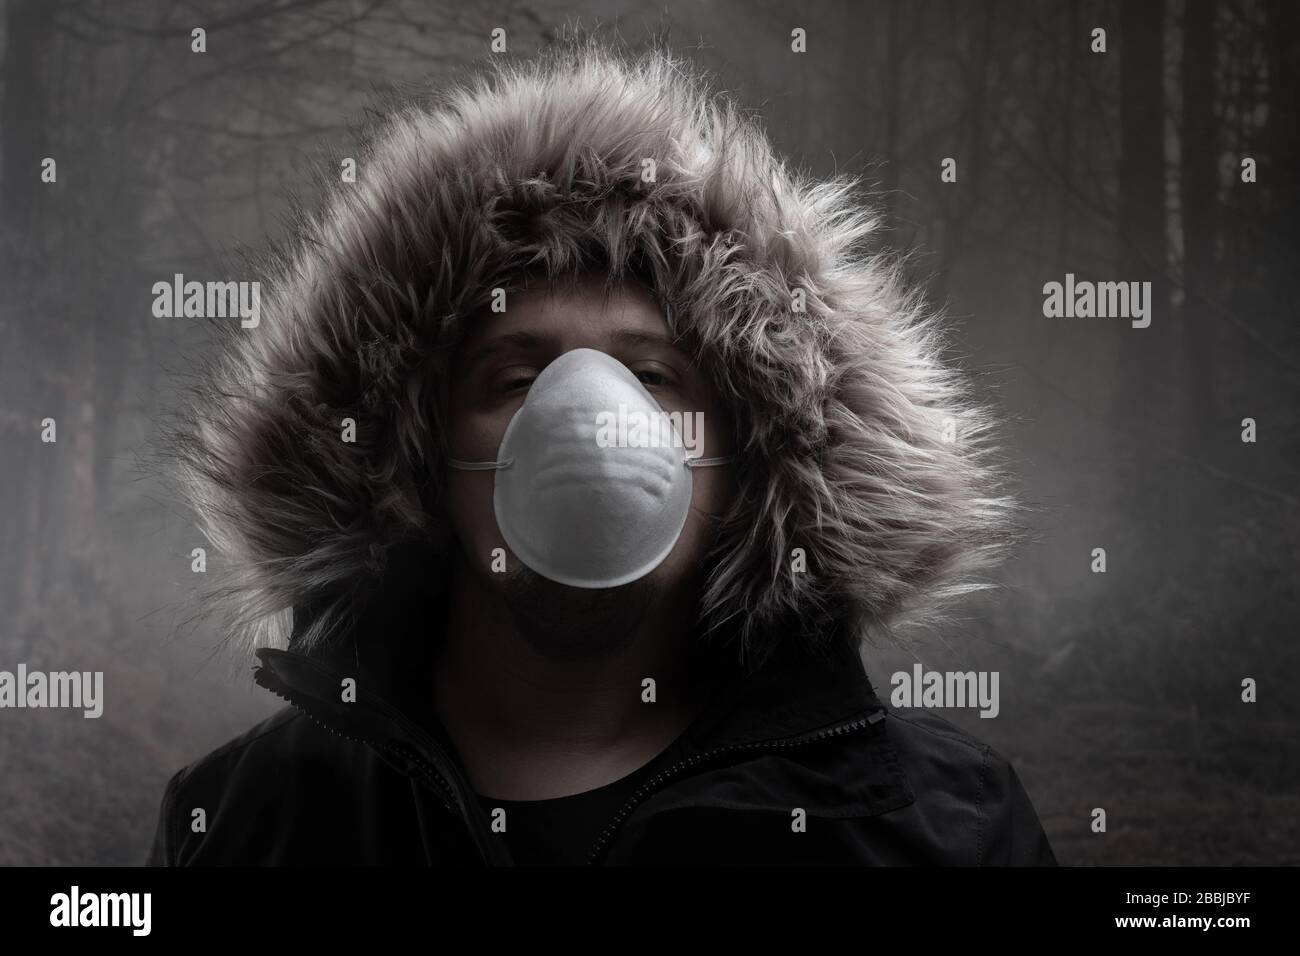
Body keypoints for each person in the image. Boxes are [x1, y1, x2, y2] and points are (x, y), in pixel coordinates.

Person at [147, 38, 1057, 866]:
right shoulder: (247, 828)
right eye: (512, 378)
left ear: (752, 451)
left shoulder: (942, 836)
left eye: (653, 376)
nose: (587, 416)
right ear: (414, 460)